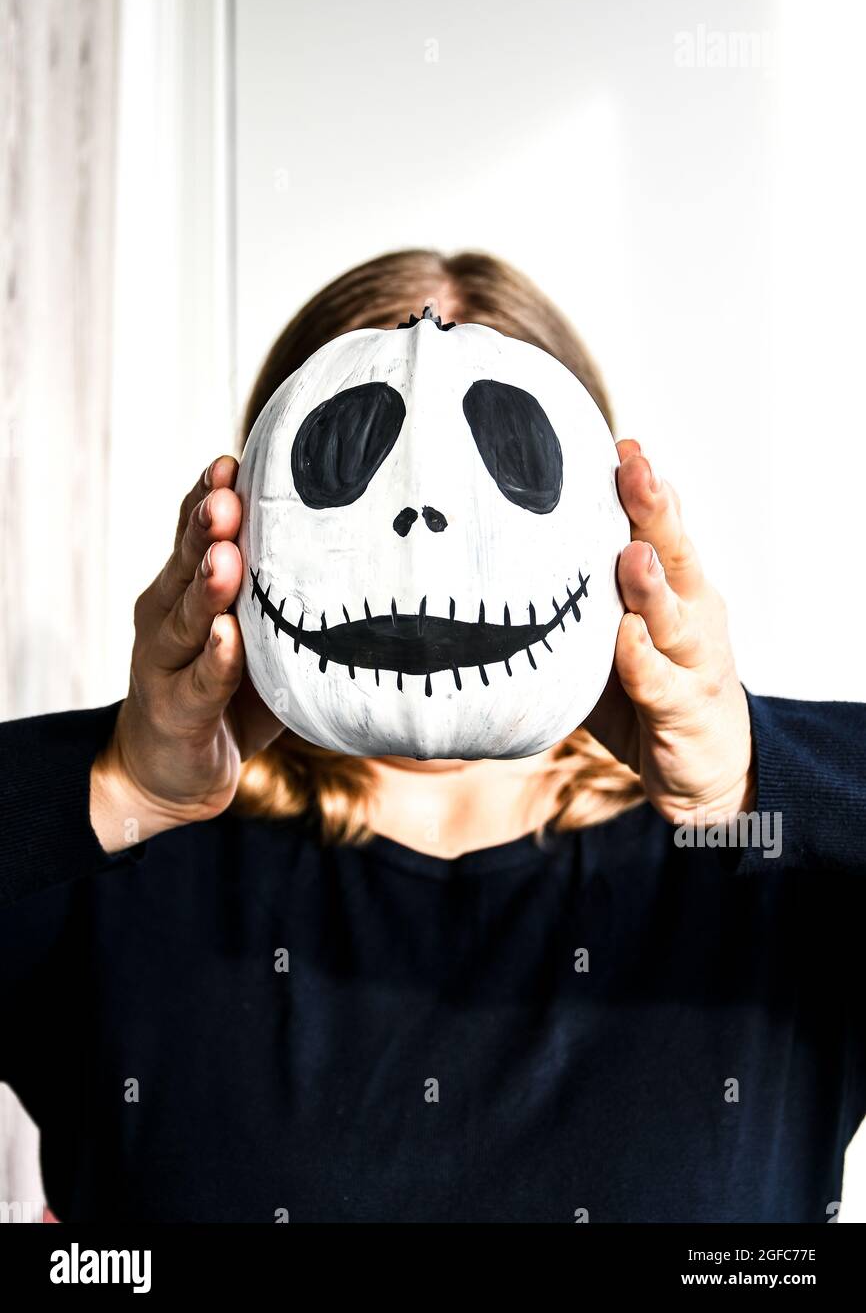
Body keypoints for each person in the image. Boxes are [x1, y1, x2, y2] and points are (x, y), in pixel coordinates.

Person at [1, 249, 865, 1224]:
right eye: (348, 457)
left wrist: (754, 771)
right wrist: (113, 786)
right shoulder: (110, 881)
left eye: (506, 462)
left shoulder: (768, 879)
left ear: (599, 520)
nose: (423, 524)